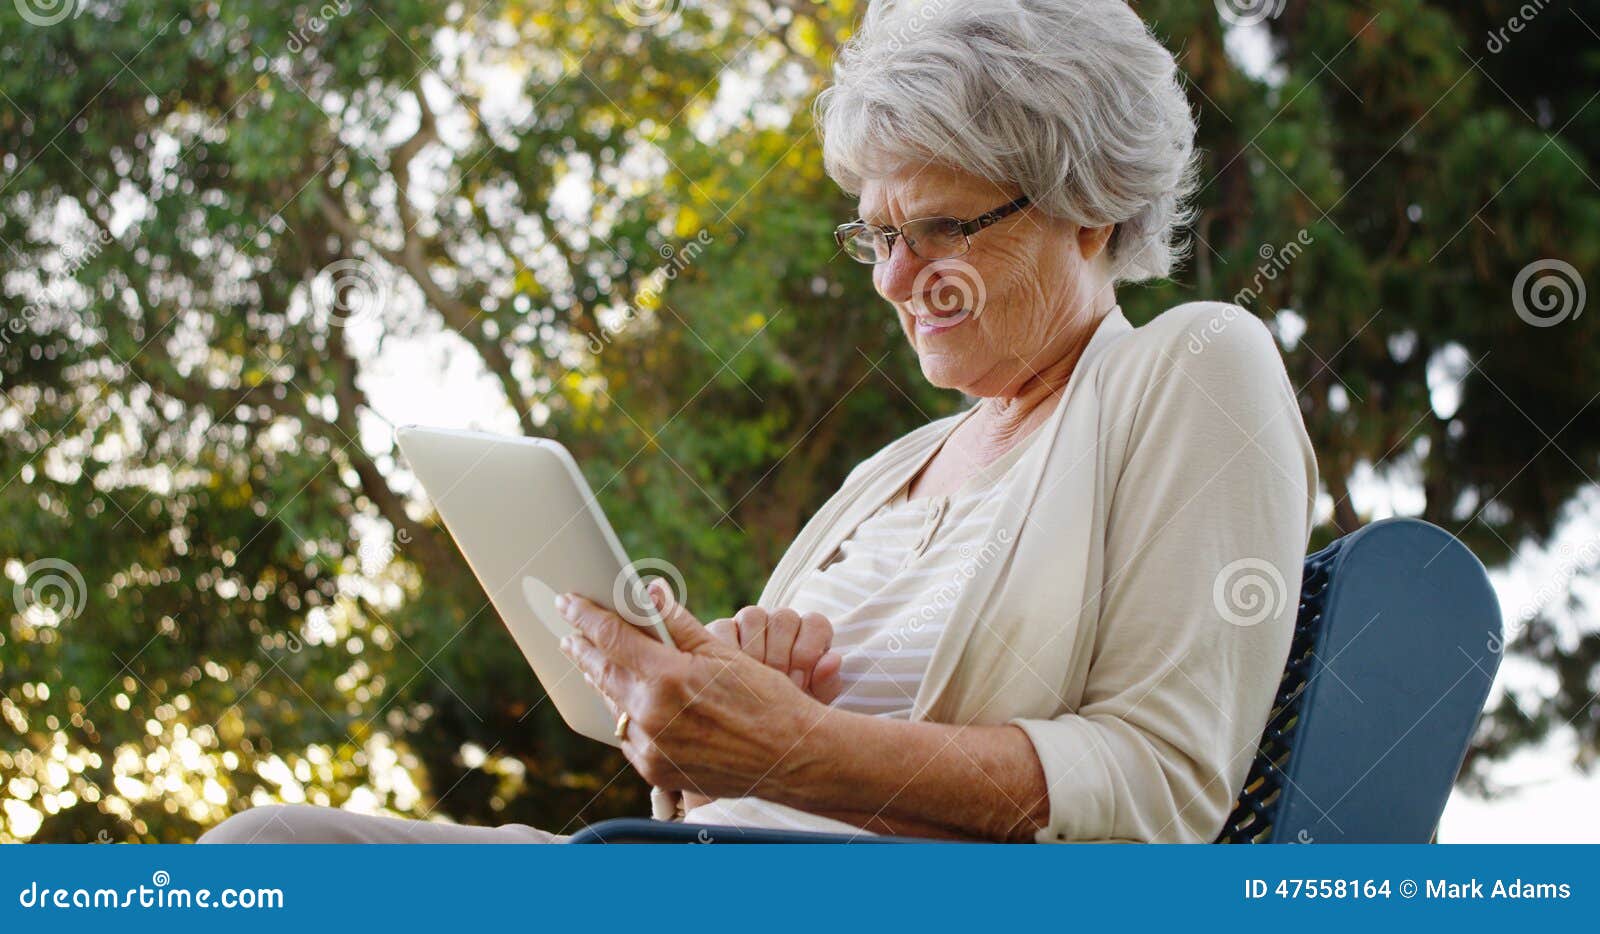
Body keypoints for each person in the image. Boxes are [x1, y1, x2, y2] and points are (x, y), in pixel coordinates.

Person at [201, 0, 1316, 845]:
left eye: (935, 226)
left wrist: (797, 746)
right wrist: (704, 720)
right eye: (873, 234)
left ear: (1092, 209)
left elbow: (1160, 789)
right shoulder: (888, 473)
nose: (892, 278)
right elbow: (709, 803)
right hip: (693, 870)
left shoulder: (1191, 364)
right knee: (260, 855)